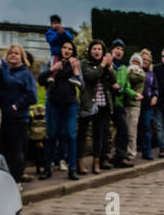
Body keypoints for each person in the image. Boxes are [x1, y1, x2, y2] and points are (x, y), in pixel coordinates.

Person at [40, 38, 81, 180]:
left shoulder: (75, 63)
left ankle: (73, 169)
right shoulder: (52, 61)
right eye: (65, 47)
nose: (67, 50)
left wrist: (76, 72)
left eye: (70, 49)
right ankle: (47, 168)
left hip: (70, 104)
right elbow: (40, 79)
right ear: (61, 49)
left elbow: (82, 85)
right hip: (53, 103)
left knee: (70, 135)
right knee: (51, 136)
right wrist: (53, 69)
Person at [0, 44, 37, 181]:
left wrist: (17, 105)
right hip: (2, 116)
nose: (13, 55)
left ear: (22, 57)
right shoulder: (3, 72)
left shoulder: (26, 74)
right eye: (11, 53)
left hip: (18, 118)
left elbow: (32, 96)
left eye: (17, 53)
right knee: (2, 149)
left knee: (16, 149)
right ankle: (3, 177)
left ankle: (17, 178)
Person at [78, 40, 118, 175]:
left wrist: (109, 66)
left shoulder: (105, 65)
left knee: (99, 135)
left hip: (103, 105)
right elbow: (90, 76)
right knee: (82, 134)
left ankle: (96, 162)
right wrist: (102, 65)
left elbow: (114, 80)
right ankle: (80, 162)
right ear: (90, 51)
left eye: (99, 49)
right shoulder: (84, 63)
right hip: (88, 104)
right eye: (94, 49)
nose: (97, 51)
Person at [109, 39, 135, 167]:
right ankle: (103, 158)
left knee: (124, 131)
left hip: (119, 103)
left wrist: (135, 95)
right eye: (117, 48)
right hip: (107, 103)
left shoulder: (123, 68)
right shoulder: (108, 65)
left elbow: (126, 86)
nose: (119, 51)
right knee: (105, 132)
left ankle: (119, 157)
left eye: (122, 49)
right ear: (112, 50)